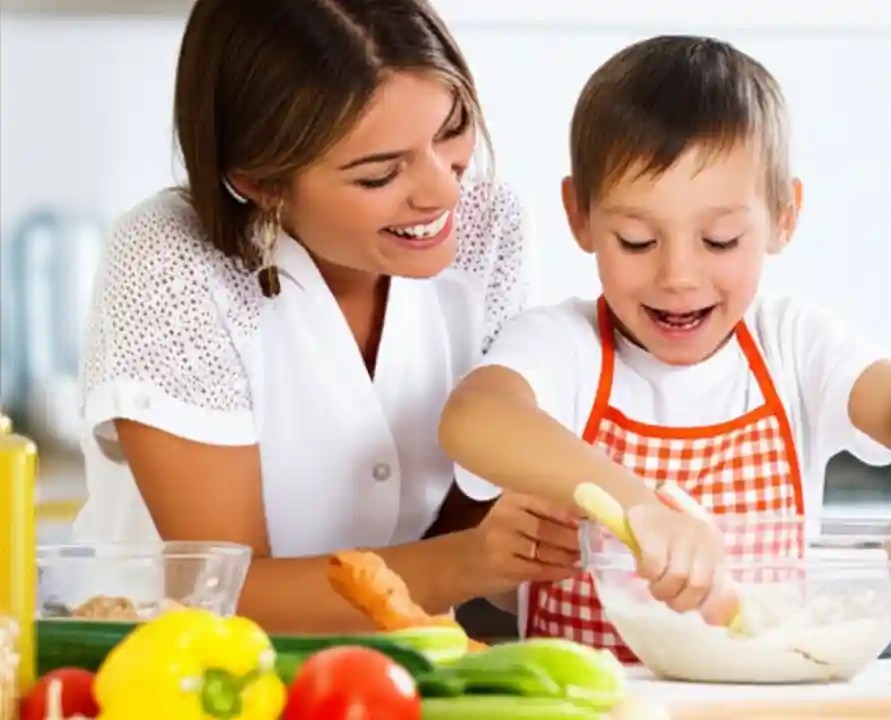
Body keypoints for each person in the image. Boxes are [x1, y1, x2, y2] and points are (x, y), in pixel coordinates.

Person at [439, 35, 891, 660]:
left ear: (783, 216)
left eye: (719, 241)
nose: (679, 277)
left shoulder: (792, 346)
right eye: (637, 240)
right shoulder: (565, 348)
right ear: (579, 215)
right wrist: (638, 509)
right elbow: (474, 418)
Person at [73, 0, 582, 634]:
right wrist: (474, 562)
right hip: (167, 670)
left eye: (451, 130)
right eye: (380, 173)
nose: (445, 190)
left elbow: (476, 492)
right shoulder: (168, 261)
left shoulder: (489, 224)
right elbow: (224, 592)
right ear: (258, 181)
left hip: (392, 668)